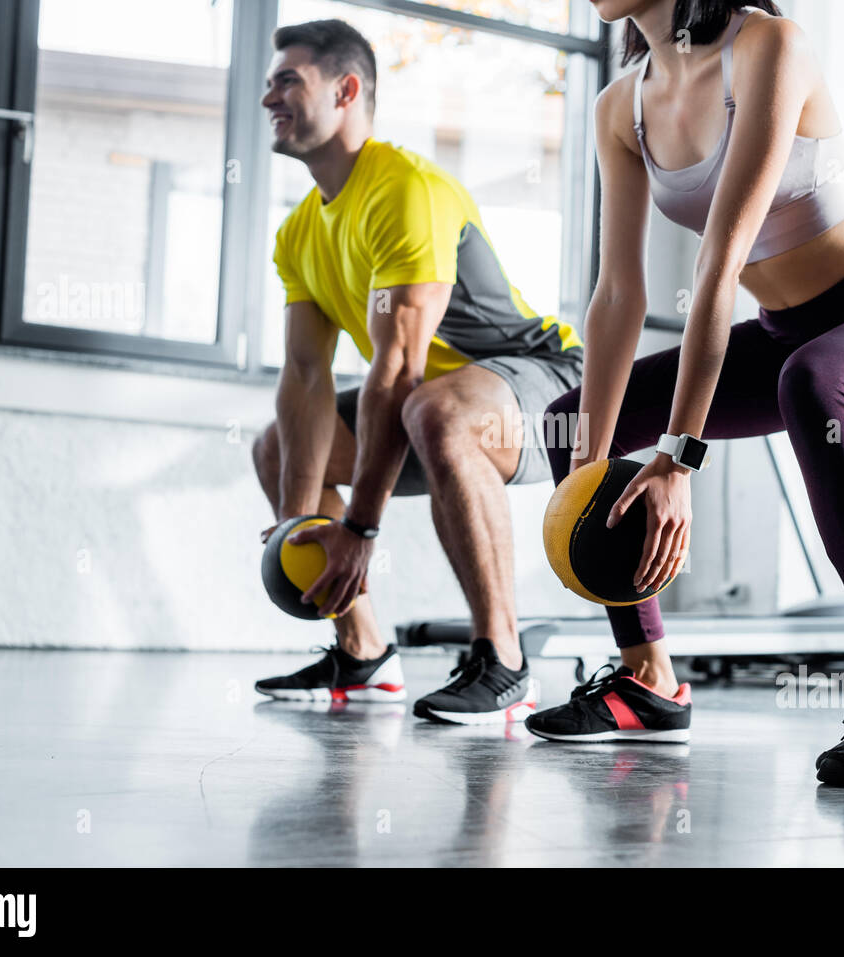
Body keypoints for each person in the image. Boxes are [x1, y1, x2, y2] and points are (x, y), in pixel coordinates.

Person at [526, 0, 844, 787]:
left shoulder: (768, 46)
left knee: (814, 381)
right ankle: (647, 680)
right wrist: (588, 462)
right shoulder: (621, 106)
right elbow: (617, 294)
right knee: (572, 421)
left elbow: (719, 261)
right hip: (787, 335)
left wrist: (678, 455)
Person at [252, 19, 585, 724]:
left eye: (289, 80)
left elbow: (396, 369)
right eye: (270, 80)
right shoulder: (299, 231)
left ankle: (504, 657)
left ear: (346, 90)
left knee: (434, 408)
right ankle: (364, 654)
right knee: (279, 447)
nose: (267, 97)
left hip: (551, 389)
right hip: (433, 404)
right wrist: (299, 518)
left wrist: (361, 529)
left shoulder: (404, 188)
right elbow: (307, 378)